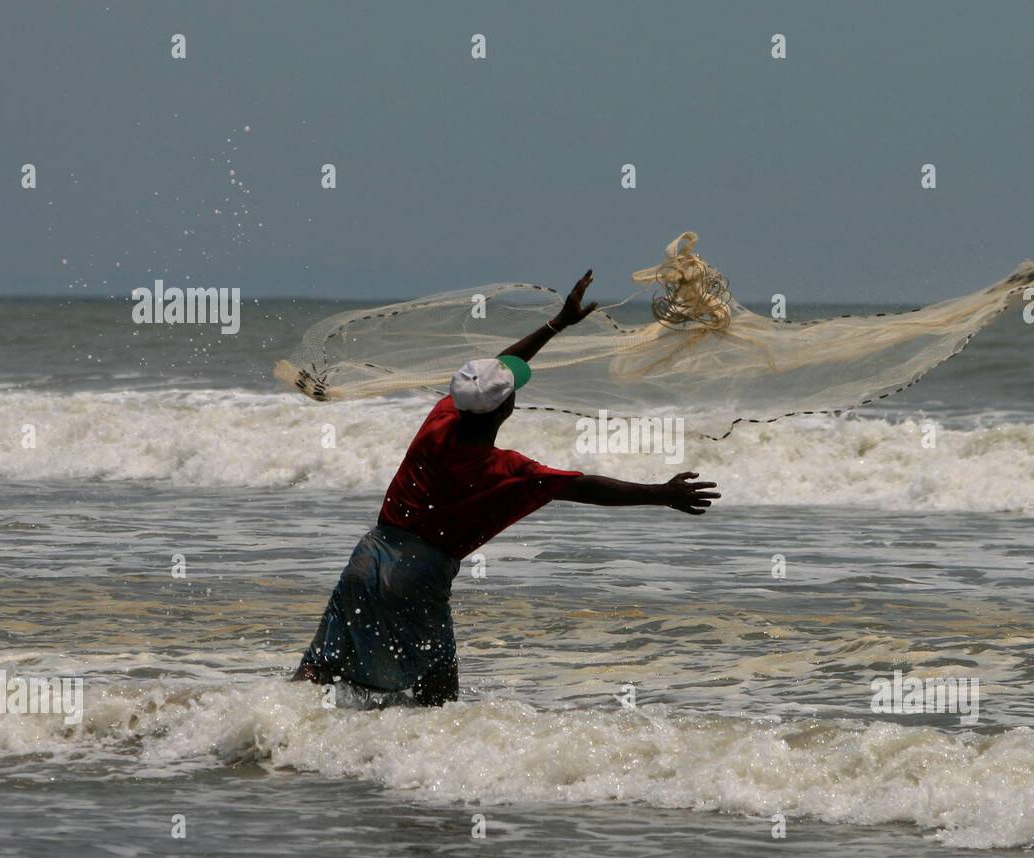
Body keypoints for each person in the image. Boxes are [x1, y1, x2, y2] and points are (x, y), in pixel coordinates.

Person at [291, 271, 721, 708]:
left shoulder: (439, 420)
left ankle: (267, 732)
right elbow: (586, 486)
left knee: (318, 669)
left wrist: (558, 324)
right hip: (419, 577)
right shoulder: (509, 471)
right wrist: (660, 493)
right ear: (510, 408)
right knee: (437, 698)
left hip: (368, 557)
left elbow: (494, 372)